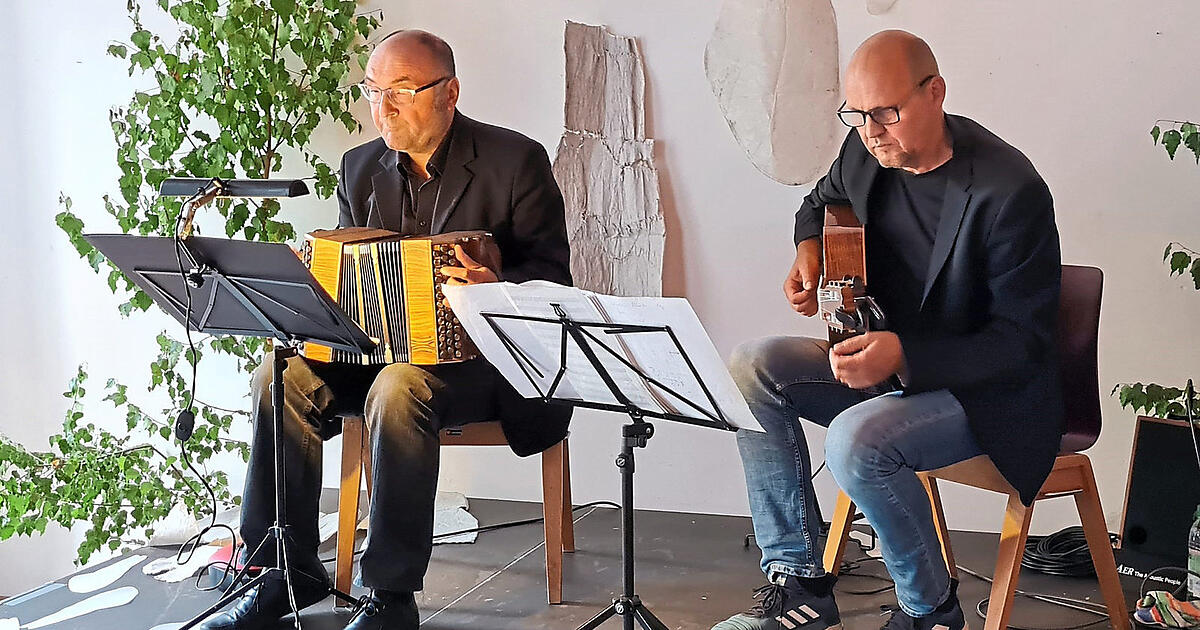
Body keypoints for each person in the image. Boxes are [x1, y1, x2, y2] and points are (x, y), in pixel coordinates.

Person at [200, 29, 572, 630]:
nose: (383, 107)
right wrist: (314, 280)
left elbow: (554, 276)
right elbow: (352, 278)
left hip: (486, 365)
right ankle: (283, 572)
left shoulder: (515, 160)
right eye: (374, 91)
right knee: (277, 374)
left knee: (399, 387)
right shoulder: (360, 166)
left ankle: (390, 598)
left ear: (449, 93)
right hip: (374, 352)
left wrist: (494, 284)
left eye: (401, 90)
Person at [713, 30, 1062, 630]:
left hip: (987, 394)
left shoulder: (1011, 192)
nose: (870, 130)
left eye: (886, 112)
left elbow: (1020, 343)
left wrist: (903, 355)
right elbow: (817, 204)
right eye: (857, 113)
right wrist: (808, 253)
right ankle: (797, 585)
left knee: (856, 439)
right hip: (886, 366)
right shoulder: (864, 152)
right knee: (751, 367)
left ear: (936, 93)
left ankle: (931, 613)